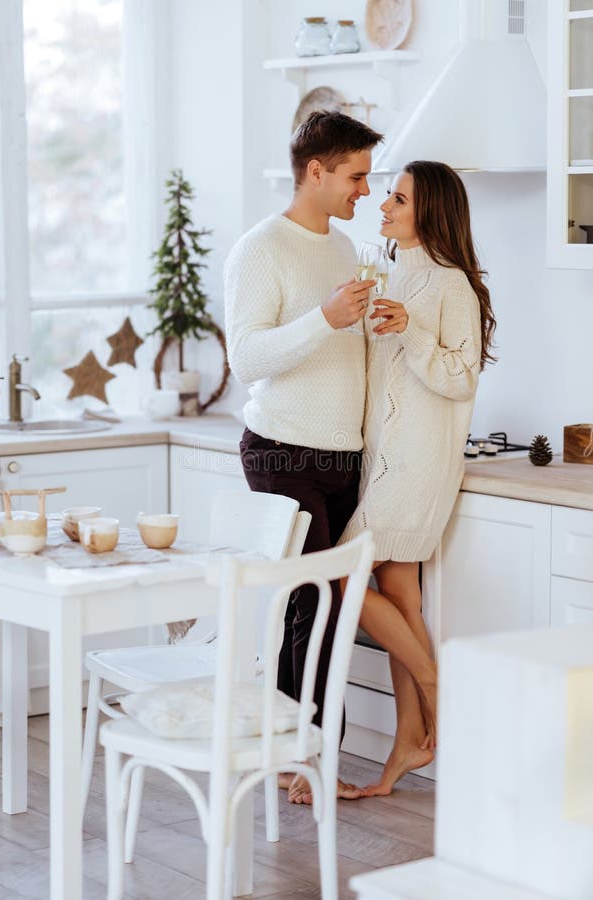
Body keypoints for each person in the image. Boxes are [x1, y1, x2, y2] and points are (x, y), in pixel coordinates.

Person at [224, 111, 383, 803]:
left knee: (323, 607)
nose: (366, 191)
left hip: (341, 455)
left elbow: (341, 350)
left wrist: (375, 324)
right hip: (282, 451)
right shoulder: (259, 250)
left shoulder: (347, 248)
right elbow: (246, 358)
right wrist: (326, 318)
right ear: (315, 172)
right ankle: (302, 762)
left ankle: (303, 756)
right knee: (311, 605)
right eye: (355, 176)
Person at [340, 160, 497, 796]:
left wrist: (411, 333)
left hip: (418, 462)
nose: (382, 206)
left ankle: (435, 686)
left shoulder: (452, 285)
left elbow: (460, 378)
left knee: (337, 572)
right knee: (401, 598)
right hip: (380, 457)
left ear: (427, 210)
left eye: (397, 198)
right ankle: (408, 741)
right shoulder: (393, 271)